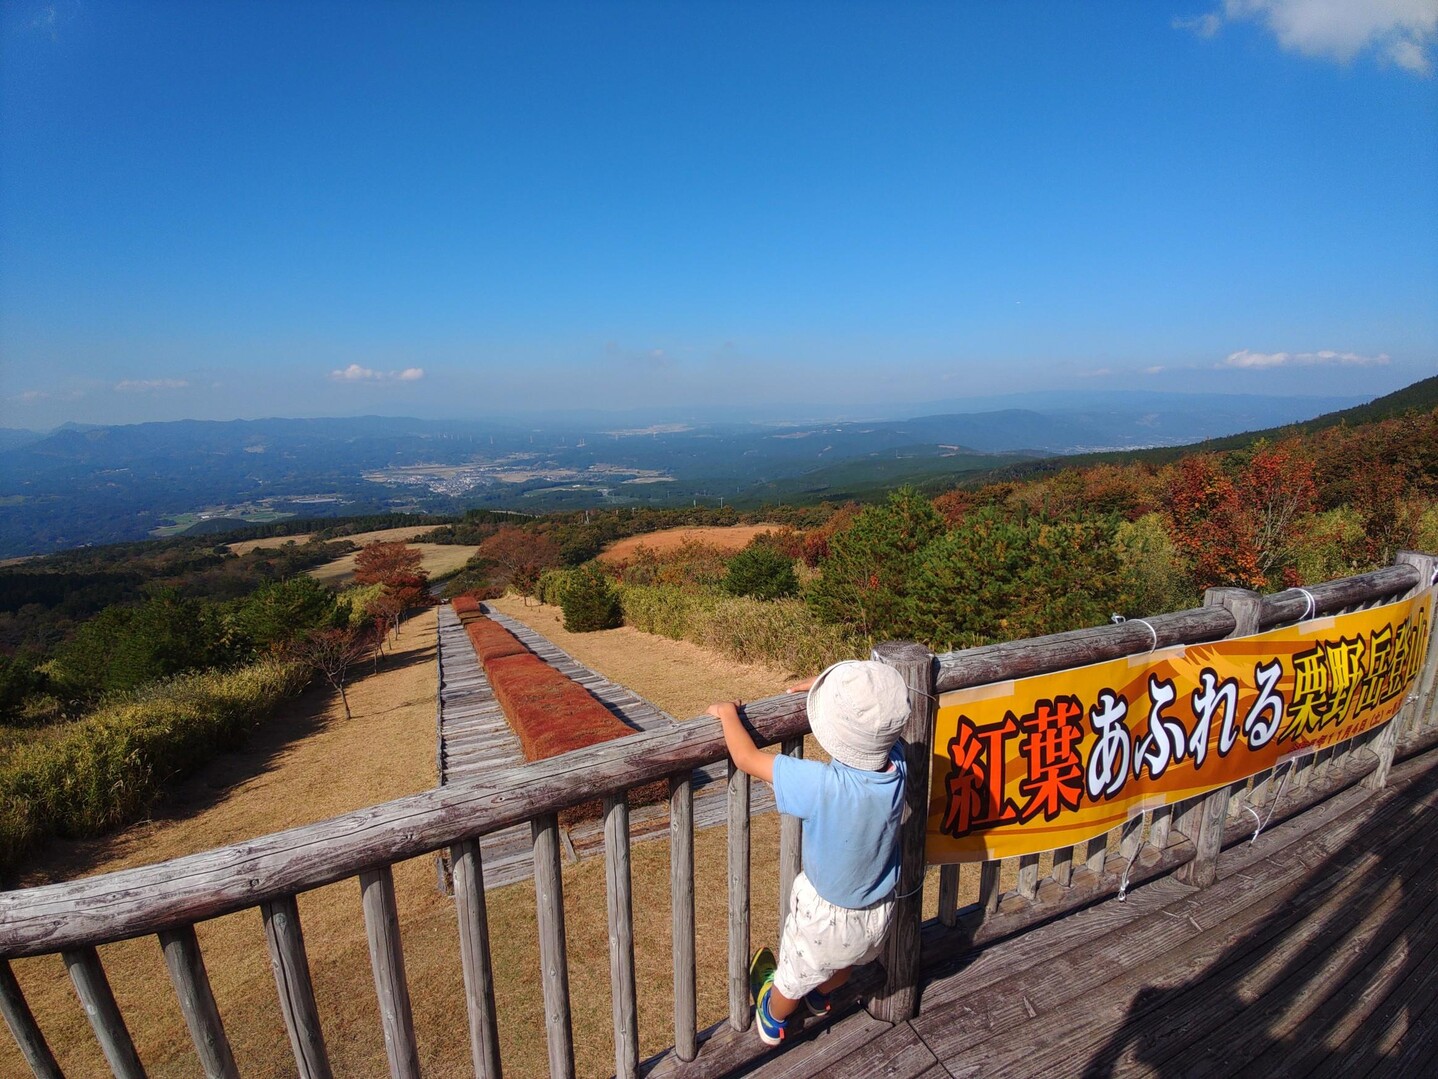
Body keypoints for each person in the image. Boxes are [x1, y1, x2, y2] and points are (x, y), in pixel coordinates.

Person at [706, 659, 909, 1046]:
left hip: (825, 914)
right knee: (844, 964)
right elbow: (880, 726)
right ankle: (822, 994)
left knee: (792, 975)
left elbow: (746, 759)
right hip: (876, 911)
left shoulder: (822, 785)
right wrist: (836, 692)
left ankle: (772, 1016)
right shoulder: (897, 768)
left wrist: (727, 713)